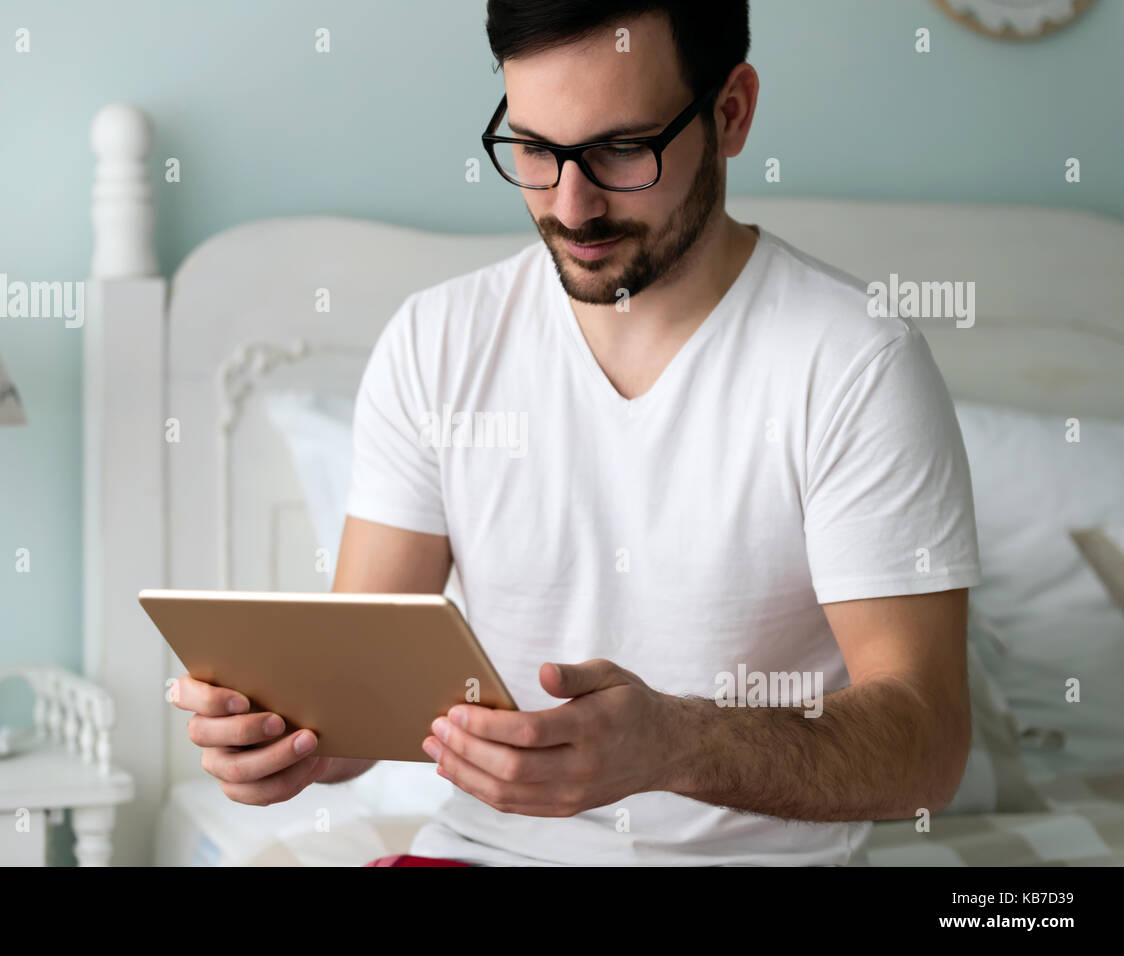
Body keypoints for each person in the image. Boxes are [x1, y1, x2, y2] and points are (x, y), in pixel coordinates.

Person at [172, 0, 980, 866]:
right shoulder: (436, 343)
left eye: (621, 148)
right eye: (534, 148)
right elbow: (354, 708)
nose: (571, 203)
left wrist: (676, 745)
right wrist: (288, 742)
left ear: (732, 113)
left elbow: (928, 746)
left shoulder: (856, 362)